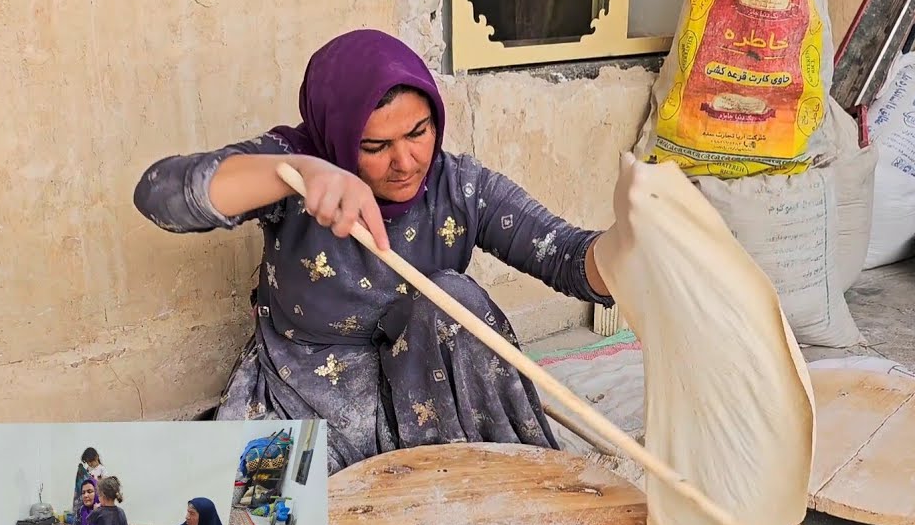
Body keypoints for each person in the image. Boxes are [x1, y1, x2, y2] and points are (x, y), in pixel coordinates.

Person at [133, 29, 616, 475]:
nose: (405, 163)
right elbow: (159, 195)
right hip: (311, 388)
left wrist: (630, 250)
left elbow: (568, 258)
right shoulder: (299, 165)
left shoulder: (459, 186)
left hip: (430, 392)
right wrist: (294, 170)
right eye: (375, 145)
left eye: (419, 133)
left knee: (455, 301)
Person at [71, 447, 105, 516]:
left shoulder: (102, 469)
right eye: (87, 462)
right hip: (88, 496)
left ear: (96, 457)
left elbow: (105, 483)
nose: (89, 463)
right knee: (87, 514)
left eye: (91, 461)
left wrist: (96, 480)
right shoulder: (88, 469)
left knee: (96, 515)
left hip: (97, 497)